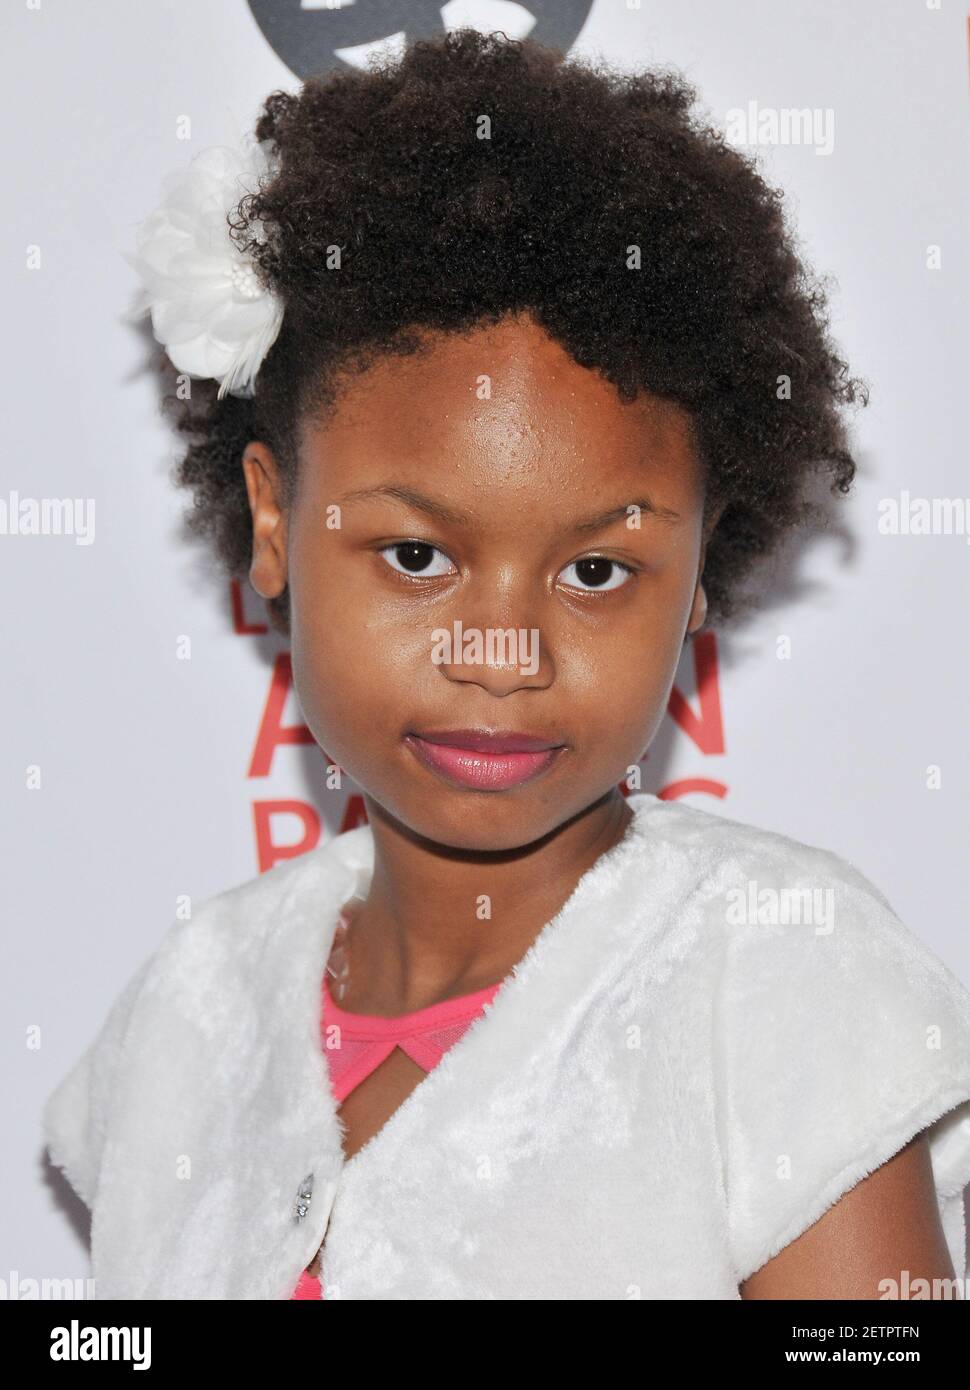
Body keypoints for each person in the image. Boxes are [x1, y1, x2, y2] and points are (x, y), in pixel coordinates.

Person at [43, 29, 970, 1301]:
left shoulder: (775, 982)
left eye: (596, 571)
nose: (502, 654)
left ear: (700, 566)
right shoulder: (186, 1020)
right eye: (418, 556)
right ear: (274, 522)